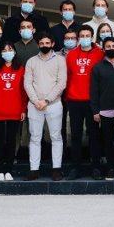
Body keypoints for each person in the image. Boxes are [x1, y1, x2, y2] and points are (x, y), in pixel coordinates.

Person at [23, 32, 67, 181]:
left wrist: (47, 100)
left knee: (56, 137)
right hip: (35, 105)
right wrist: (36, 101)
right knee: (35, 137)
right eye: (42, 43)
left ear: (52, 44)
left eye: (47, 43)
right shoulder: (31, 62)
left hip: (54, 104)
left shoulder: (60, 61)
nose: (44, 46)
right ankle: (34, 170)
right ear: (38, 44)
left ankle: (56, 169)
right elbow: (27, 83)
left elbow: (61, 83)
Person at [63, 25, 103, 179]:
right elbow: (67, 77)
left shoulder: (100, 54)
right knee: (75, 135)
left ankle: (96, 167)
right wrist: (67, 97)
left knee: (94, 136)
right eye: (82, 35)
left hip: (92, 102)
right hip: (74, 101)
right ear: (78, 37)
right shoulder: (71, 55)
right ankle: (75, 167)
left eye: (88, 35)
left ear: (92, 37)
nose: (85, 38)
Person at [0, 44, 27, 181]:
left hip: (14, 110)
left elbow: (23, 92)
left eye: (10, 50)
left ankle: (8, 170)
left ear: (15, 52)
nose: (7, 53)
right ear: (0, 53)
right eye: (4, 50)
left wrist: (23, 109)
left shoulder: (20, 69)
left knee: (11, 141)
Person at [89, 36, 114, 179]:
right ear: (103, 49)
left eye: (113, 46)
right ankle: (110, 168)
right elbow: (94, 91)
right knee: (107, 141)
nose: (111, 48)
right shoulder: (97, 68)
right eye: (108, 46)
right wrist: (95, 111)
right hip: (105, 111)